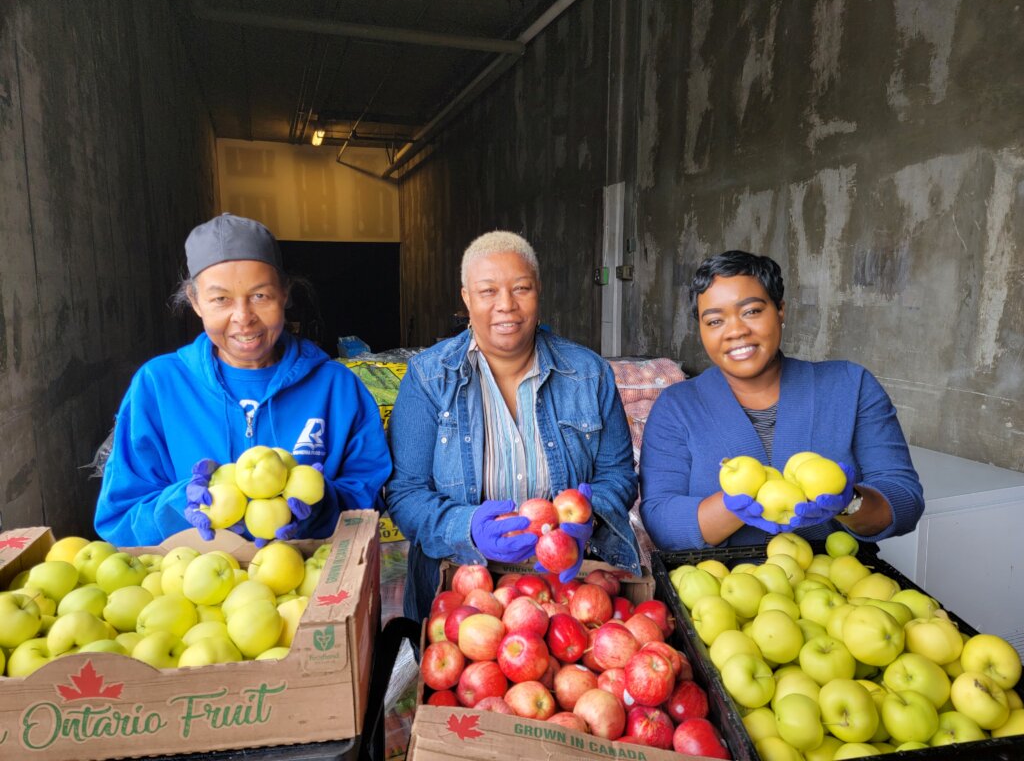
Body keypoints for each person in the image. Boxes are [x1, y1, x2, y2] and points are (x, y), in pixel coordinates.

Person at [386, 230, 642, 622]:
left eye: (521, 288)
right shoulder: (429, 378)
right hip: (465, 587)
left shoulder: (589, 374)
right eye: (488, 291)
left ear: (538, 292)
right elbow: (405, 495)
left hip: (568, 587)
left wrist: (592, 513)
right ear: (466, 299)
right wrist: (468, 527)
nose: (506, 305)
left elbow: (619, 474)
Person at [95, 213, 392, 546]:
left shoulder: (336, 388)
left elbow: (369, 497)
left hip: (311, 585)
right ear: (195, 302)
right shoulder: (158, 386)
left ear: (285, 294)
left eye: (260, 296)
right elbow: (119, 518)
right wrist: (180, 506)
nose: (243, 318)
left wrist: (322, 507)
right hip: (192, 587)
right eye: (221, 299)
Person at [639, 250, 924, 550]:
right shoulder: (677, 407)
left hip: (837, 583)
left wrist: (848, 501)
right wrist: (735, 506)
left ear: (780, 310)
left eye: (751, 311)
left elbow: (904, 501)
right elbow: (660, 520)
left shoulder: (850, 387)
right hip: (718, 585)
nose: (736, 331)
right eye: (714, 321)